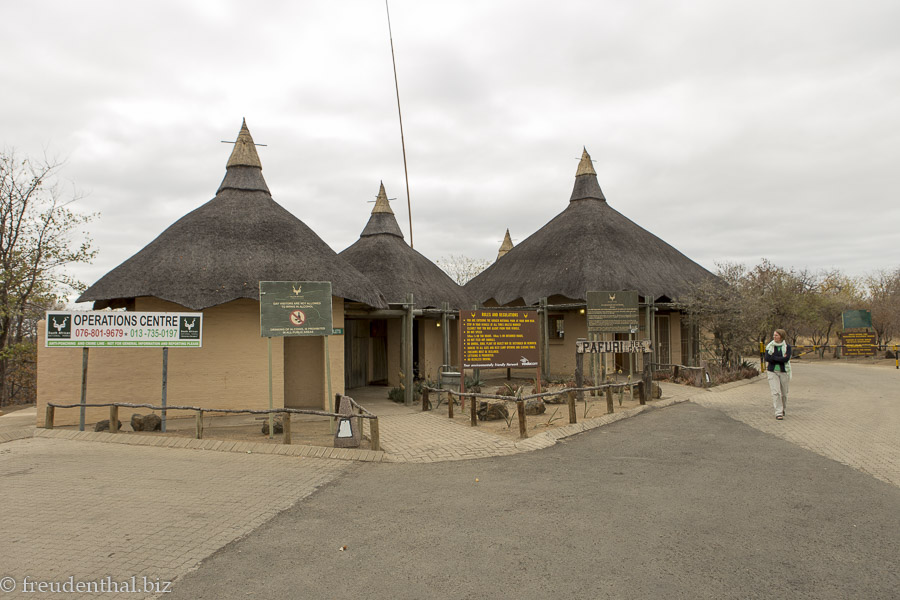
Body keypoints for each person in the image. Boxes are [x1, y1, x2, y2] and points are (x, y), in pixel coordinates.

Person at [765, 329, 792, 420]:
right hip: (772, 372)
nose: (774, 337)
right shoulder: (770, 346)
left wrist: (774, 358)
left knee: (784, 394)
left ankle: (783, 408)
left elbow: (786, 359)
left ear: (781, 336)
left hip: (784, 372)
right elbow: (768, 358)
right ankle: (778, 412)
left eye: (776, 335)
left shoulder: (787, 347)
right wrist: (779, 358)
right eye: (774, 335)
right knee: (776, 392)